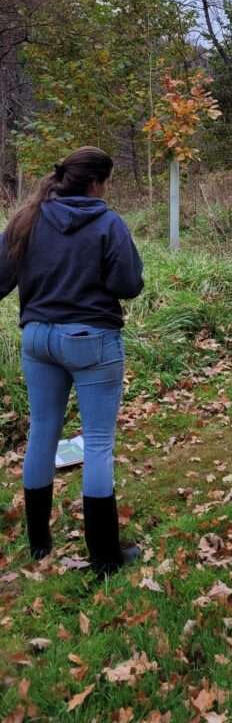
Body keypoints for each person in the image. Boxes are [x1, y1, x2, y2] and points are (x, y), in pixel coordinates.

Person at [0, 147, 144, 576]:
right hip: (90, 340)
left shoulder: (27, 219)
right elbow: (128, 284)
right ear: (98, 183)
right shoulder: (107, 223)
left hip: (38, 339)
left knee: (43, 432)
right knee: (97, 443)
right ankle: (104, 558)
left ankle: (39, 545)